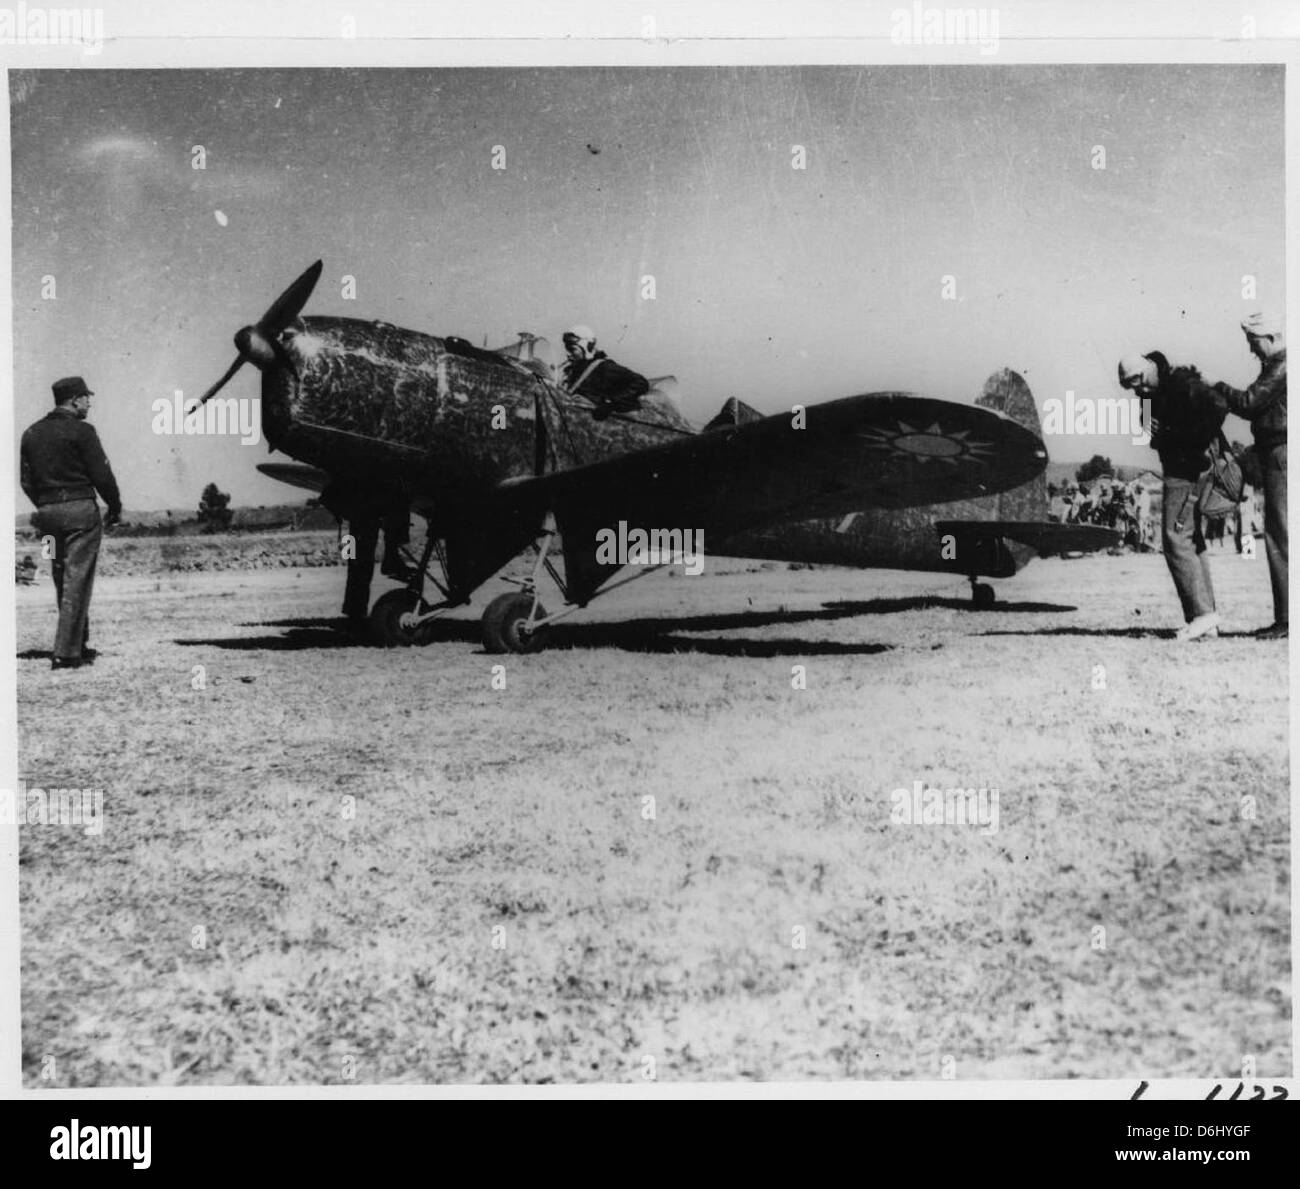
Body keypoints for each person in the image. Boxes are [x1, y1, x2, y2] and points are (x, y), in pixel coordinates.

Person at [1118, 351, 1226, 640]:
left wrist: (1180, 438)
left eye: (1138, 381)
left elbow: (1218, 407)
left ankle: (1201, 615)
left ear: (1149, 368)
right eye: (1131, 387)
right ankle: (1207, 618)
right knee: (1190, 539)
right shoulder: (1156, 388)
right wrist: (1148, 425)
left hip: (1186, 470)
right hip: (1182, 467)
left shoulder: (1181, 382)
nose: (1138, 389)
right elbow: (1152, 430)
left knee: (1175, 538)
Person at [19, 376, 121, 669]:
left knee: (59, 572)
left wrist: (45, 505)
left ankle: (77, 642)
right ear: (75, 400)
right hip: (80, 515)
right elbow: (102, 476)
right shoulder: (83, 431)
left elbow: (26, 481)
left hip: (47, 520)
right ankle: (66, 652)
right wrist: (114, 506)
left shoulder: (30, 433)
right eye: (86, 397)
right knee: (78, 577)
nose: (89, 402)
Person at [1215, 312, 1287, 638]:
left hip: (1279, 453)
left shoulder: (1281, 365)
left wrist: (1218, 389)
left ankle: (1287, 620)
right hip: (1277, 452)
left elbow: (1249, 402)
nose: (1251, 349)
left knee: (1280, 533)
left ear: (1271, 338)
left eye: (1253, 342)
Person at [319, 479, 415, 624]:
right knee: (359, 565)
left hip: (356, 520)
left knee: (356, 565)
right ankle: (391, 558)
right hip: (362, 515)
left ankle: (354, 612)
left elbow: (327, 496)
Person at [559, 324, 650, 420]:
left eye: (572, 349)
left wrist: (609, 403)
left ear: (587, 347)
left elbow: (641, 382)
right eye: (567, 349)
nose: (568, 354)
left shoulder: (604, 368)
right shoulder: (572, 372)